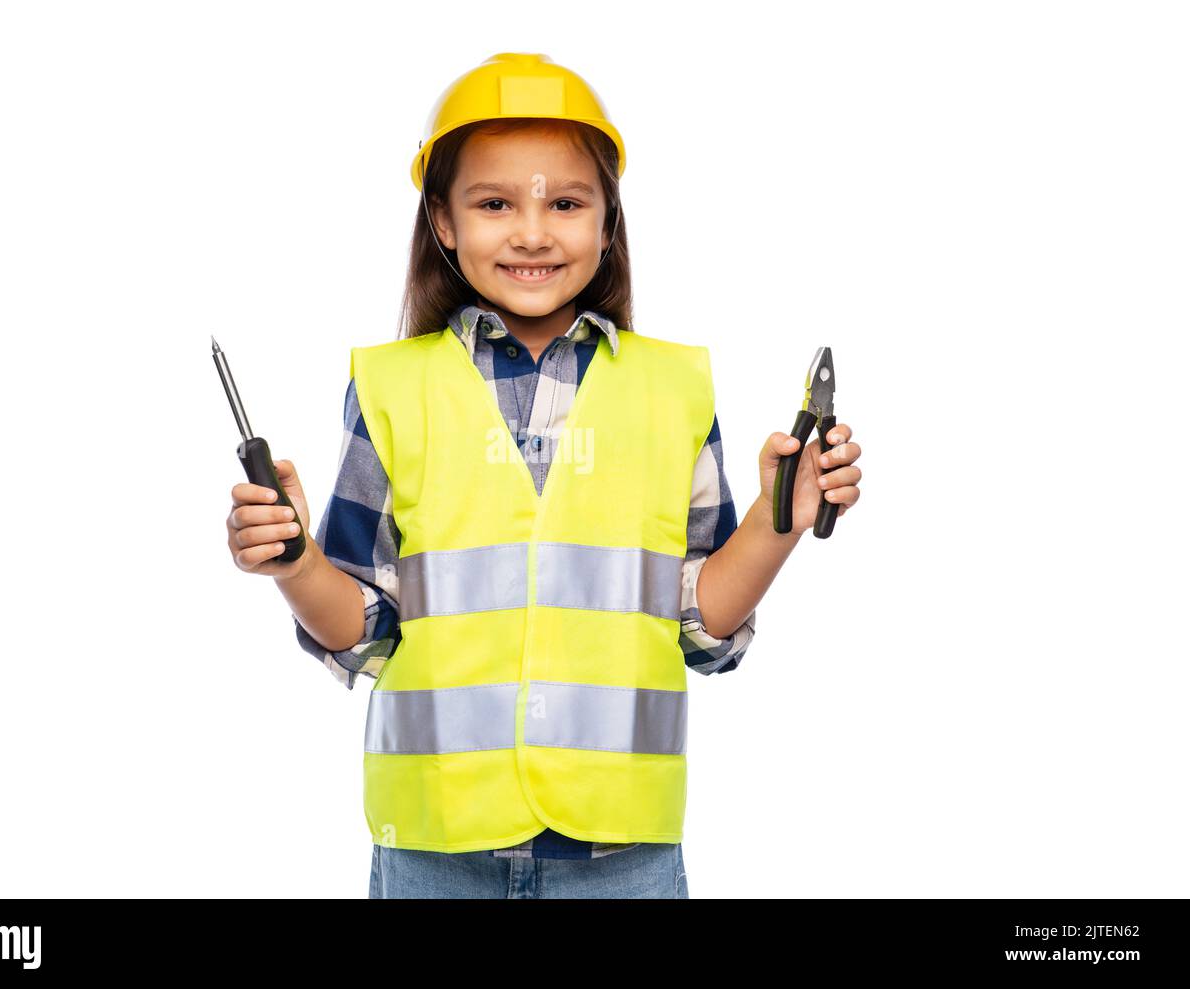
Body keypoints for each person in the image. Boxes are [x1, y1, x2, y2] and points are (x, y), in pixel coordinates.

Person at [225, 53, 863, 898]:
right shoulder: (388, 389)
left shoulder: (672, 390)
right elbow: (365, 632)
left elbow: (701, 625)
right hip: (432, 851)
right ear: (443, 223)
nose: (532, 231)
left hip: (622, 859)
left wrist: (778, 527)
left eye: (566, 201)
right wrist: (297, 562)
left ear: (608, 224)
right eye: (495, 203)